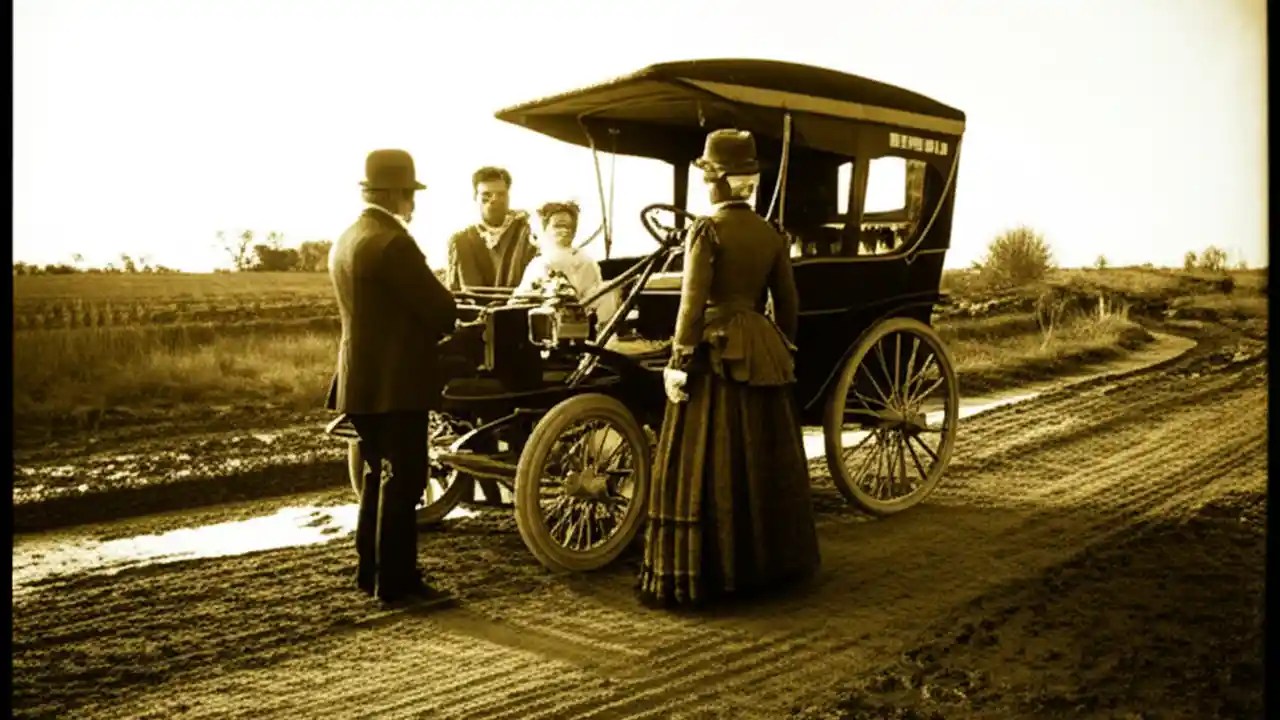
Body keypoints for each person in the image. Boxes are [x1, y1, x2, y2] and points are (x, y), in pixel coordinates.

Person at [637, 129, 821, 609]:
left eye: (706, 176)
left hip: (715, 352)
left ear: (717, 181)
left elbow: (691, 304)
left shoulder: (707, 229)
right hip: (759, 345)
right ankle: (768, 565)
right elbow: (789, 305)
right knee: (763, 456)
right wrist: (777, 347)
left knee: (704, 457)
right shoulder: (771, 234)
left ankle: (711, 572)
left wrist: (679, 361)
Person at [326, 148, 458, 604]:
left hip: (358, 380)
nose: (413, 204)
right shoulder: (392, 241)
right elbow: (442, 309)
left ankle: (371, 572)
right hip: (396, 384)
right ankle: (399, 584)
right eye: (410, 194)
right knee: (406, 479)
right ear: (398, 194)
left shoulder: (347, 238)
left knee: (377, 473)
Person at [512, 200, 619, 325]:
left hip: (583, 320)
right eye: (558, 226)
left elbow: (595, 294)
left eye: (569, 227)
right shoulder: (539, 263)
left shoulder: (586, 261)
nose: (565, 231)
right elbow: (522, 298)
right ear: (546, 229)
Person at [444, 166, 539, 291]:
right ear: (475, 197)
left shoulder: (529, 234)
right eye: (486, 195)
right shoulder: (460, 241)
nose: (494, 200)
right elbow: (453, 289)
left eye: (501, 194)